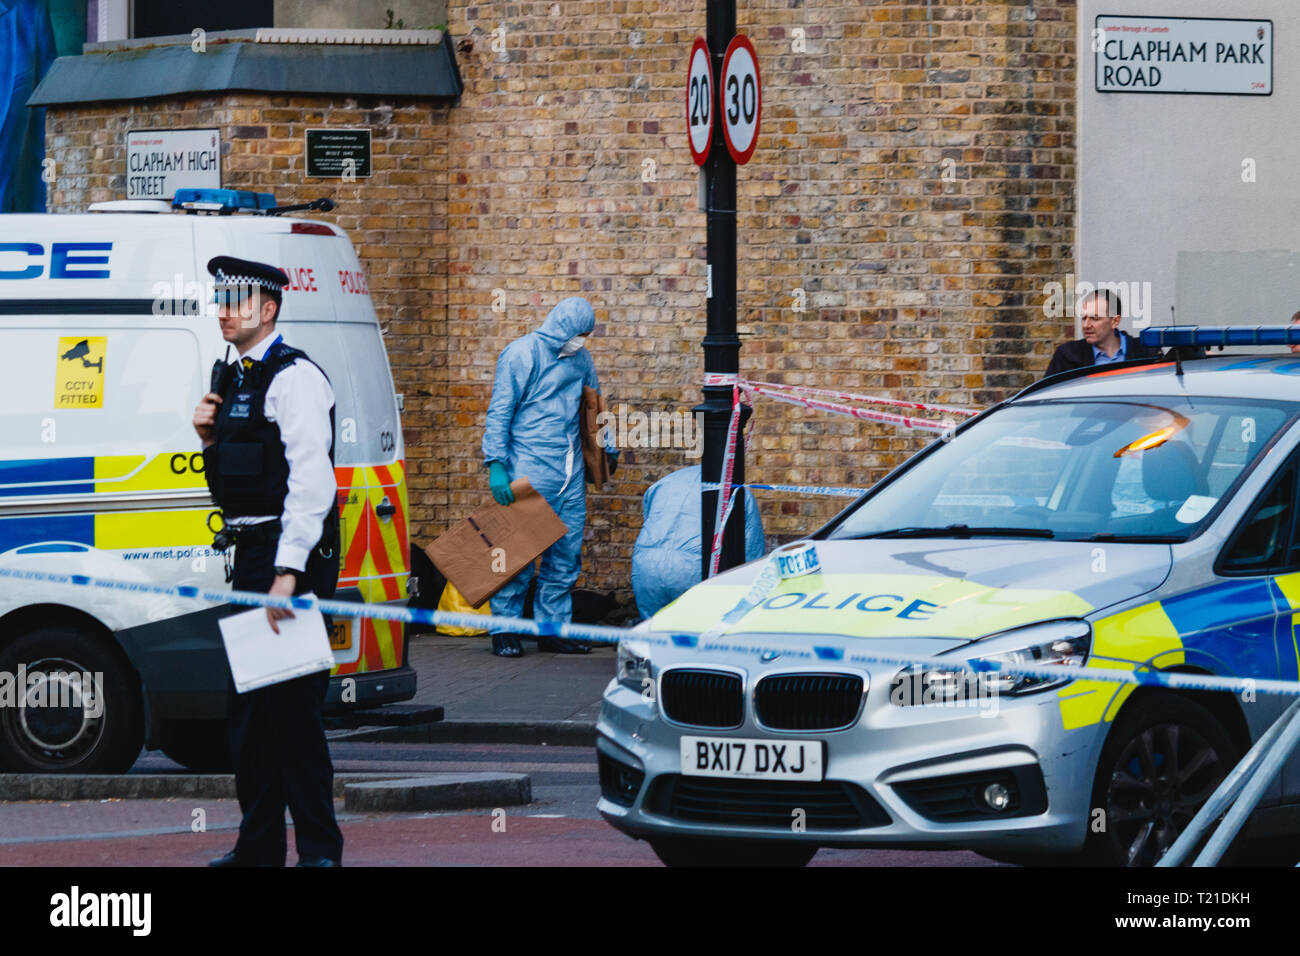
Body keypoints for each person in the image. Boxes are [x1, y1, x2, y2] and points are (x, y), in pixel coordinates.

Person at [192, 256, 344, 867]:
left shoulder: (295, 377)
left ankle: (318, 851)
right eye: (221, 299)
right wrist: (206, 440)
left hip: (290, 559)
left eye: (238, 300)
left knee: (292, 715)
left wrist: (286, 574)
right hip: (253, 555)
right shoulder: (229, 377)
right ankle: (257, 848)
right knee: (251, 716)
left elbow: (313, 483)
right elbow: (234, 486)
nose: (225, 310)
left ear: (270, 308)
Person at [482, 297, 616, 657]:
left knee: (565, 556)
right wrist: (496, 463)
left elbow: (594, 406)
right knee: (518, 555)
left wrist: (608, 449)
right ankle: (505, 629)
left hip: (568, 474)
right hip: (527, 470)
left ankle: (552, 630)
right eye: (580, 333)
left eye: (586, 335)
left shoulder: (581, 360)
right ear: (563, 326)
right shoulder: (521, 354)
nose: (582, 340)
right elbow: (500, 411)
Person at [631, 465, 767, 619]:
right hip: (693, 569)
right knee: (696, 631)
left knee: (654, 633)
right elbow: (752, 552)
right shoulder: (738, 492)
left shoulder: (665, 482)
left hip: (646, 566)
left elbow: (648, 516)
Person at [1043, 289, 1160, 378]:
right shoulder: (1068, 356)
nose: (1086, 325)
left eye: (1095, 318)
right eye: (1084, 318)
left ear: (1115, 321)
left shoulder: (1147, 353)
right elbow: (1047, 398)